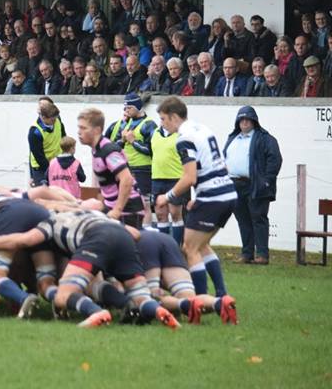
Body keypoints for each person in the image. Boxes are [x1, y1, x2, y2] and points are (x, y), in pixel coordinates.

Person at [0, 208, 180, 329]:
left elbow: (27, 239)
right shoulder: (95, 213)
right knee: (140, 296)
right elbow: (136, 234)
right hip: (123, 237)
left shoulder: (52, 221)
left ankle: (96, 312)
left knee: (63, 295)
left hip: (96, 239)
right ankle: (160, 312)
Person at [154, 97, 237, 316]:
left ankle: (201, 302)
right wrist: (199, 195)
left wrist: (167, 196)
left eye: (163, 119)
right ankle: (221, 294)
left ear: (173, 116)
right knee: (201, 245)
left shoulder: (184, 139)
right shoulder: (203, 129)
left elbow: (189, 177)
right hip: (227, 193)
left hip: (213, 197)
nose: (162, 124)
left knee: (188, 249)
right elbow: (217, 164)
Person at [224, 106, 283, 265]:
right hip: (235, 185)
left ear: (254, 121)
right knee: (243, 220)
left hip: (256, 184)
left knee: (258, 219)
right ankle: (247, 254)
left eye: (247, 119)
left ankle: (262, 255)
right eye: (241, 119)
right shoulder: (233, 138)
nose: (244, 122)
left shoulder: (265, 138)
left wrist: (267, 180)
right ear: (238, 122)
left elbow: (274, 159)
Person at [77, 107, 145, 227]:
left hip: (127, 211)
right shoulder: (96, 150)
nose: (79, 132)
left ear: (97, 130)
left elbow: (127, 179)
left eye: (83, 128)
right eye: (79, 127)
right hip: (113, 208)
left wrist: (117, 210)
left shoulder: (108, 150)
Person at [106, 94, 157, 227]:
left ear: (138, 107)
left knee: (144, 203)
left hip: (143, 169)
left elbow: (151, 150)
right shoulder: (125, 123)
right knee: (125, 201)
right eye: (125, 107)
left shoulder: (149, 124)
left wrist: (133, 141)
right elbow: (115, 147)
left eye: (129, 107)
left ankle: (146, 232)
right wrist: (123, 140)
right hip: (126, 169)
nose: (126, 110)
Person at [28, 100, 64, 186]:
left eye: (56, 118)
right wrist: (51, 169)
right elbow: (39, 157)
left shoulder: (57, 119)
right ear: (43, 117)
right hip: (41, 168)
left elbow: (63, 136)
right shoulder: (35, 132)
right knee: (43, 196)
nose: (55, 121)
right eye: (52, 119)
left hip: (57, 163)